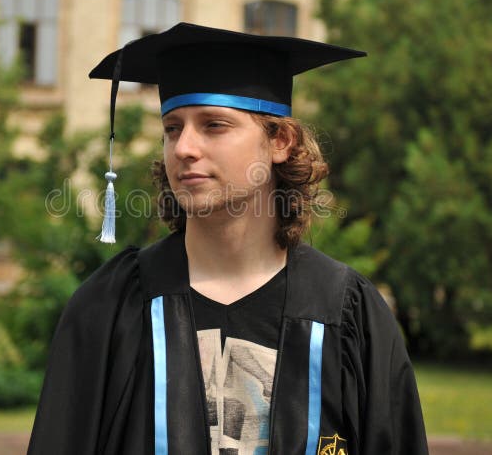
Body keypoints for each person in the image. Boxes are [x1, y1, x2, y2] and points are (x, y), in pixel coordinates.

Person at [27, 23, 428, 455]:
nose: (183, 148)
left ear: (280, 141)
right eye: (172, 128)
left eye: (214, 125)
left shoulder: (346, 312)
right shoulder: (111, 307)